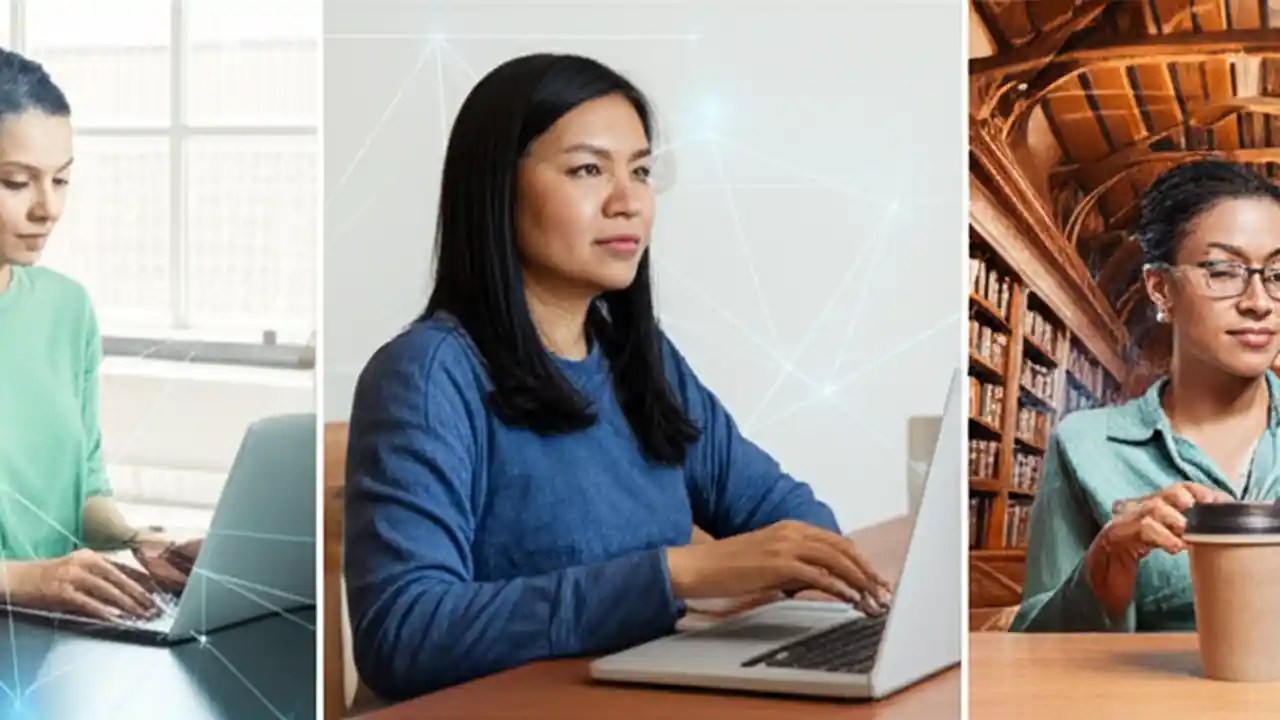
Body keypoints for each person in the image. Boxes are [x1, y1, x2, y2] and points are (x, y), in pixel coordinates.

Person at [344, 52, 894, 700]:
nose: (629, 201)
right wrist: (677, 576)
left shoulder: (639, 358)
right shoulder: (427, 376)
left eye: (640, 171)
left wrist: (803, 576)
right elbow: (403, 636)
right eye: (586, 169)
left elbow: (788, 516)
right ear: (497, 187)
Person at [1013, 159, 1280, 632]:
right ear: (1160, 288)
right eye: (1223, 271)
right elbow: (1030, 643)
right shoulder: (1085, 446)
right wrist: (1104, 567)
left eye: (1277, 274)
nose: (1259, 301)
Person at [0, 48, 198, 624]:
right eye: (17, 182)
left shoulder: (67, 310)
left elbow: (81, 489)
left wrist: (141, 539)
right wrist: (19, 579)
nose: (49, 207)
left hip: (54, 638)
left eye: (61, 180)